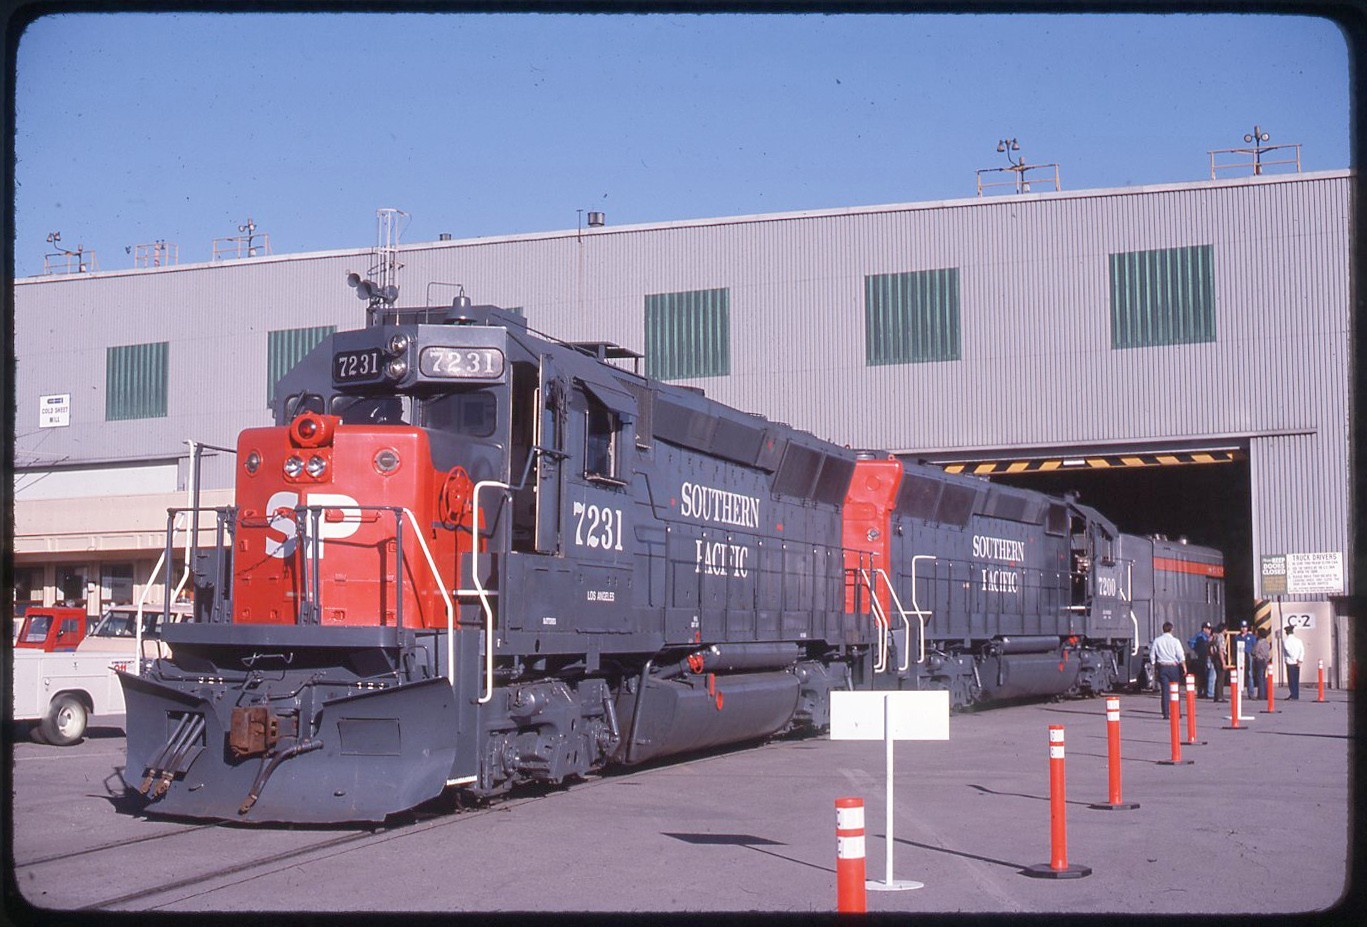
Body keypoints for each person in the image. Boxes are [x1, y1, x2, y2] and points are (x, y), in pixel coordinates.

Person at [1150, 621, 1187, 719]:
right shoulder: (1175, 641)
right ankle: (1176, 712)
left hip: (1162, 667)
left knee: (1165, 691)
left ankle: (1166, 713)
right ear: (1172, 629)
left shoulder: (1157, 640)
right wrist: (1184, 666)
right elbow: (1180, 655)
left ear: (1163, 629)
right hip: (1173, 667)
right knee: (1175, 690)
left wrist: (1154, 665)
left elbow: (1152, 654)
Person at [1189, 622, 1213, 697]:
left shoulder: (1207, 636)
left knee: (1206, 674)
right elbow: (1191, 642)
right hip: (1201, 657)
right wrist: (1197, 650)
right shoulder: (1200, 636)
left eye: (1210, 629)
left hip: (1206, 657)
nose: (1209, 630)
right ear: (1204, 629)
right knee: (1202, 674)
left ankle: (1205, 691)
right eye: (1208, 629)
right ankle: (1201, 692)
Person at [1283, 624, 1306, 699]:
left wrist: (1293, 658)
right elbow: (1302, 651)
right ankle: (1296, 694)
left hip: (1290, 662)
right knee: (1296, 679)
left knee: (1291, 679)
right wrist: (1300, 660)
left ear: (1286, 632)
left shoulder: (1286, 641)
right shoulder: (1298, 640)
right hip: (1297, 662)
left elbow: (1288, 651)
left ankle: (1293, 694)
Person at [1237, 621, 1257, 694]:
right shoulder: (1237, 637)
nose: (1244, 629)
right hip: (1240, 656)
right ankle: (1238, 691)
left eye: (1245, 627)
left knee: (1250, 673)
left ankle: (1251, 692)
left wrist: (1253, 654)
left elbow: (1255, 646)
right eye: (1242, 627)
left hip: (1249, 655)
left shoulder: (1251, 637)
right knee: (1239, 673)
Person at [1210, 623, 1228, 702]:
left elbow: (1211, 648)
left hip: (1215, 657)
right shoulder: (1221, 637)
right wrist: (1223, 662)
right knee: (1221, 678)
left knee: (1218, 677)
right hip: (1220, 657)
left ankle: (1216, 696)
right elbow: (1221, 650)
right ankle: (1220, 696)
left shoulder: (1215, 637)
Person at [1253, 628, 1272, 700]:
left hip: (1259, 660)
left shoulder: (1259, 642)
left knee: (1260, 678)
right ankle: (1266, 694)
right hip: (1265, 661)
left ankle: (1261, 695)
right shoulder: (1266, 642)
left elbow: (1254, 651)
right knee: (1264, 677)